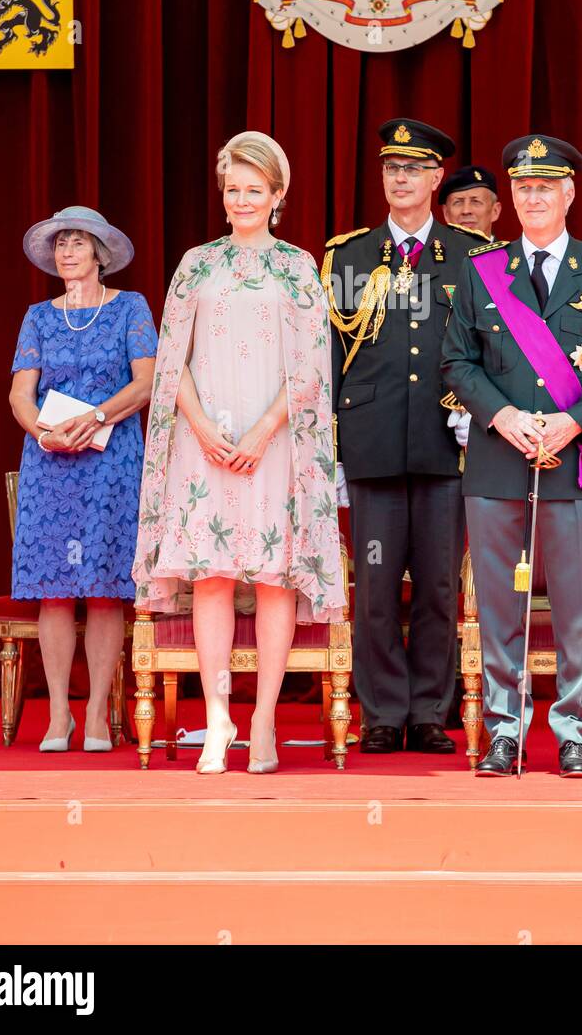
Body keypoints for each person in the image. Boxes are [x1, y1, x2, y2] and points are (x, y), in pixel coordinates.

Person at [132, 132, 345, 775]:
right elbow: (173, 358)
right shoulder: (196, 263)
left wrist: (260, 433)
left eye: (257, 189)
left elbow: (312, 363)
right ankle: (220, 718)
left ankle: (265, 720)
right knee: (213, 576)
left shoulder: (299, 265)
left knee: (276, 578)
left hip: (277, 443)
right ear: (222, 196)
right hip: (204, 447)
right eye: (234, 189)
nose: (244, 199)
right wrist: (200, 427)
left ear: (278, 195)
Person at [442, 135, 582, 777]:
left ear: (569, 194)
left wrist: (573, 422)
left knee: (578, 607)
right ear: (512, 197)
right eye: (523, 187)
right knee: (500, 604)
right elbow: (457, 361)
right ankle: (505, 727)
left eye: (545, 187)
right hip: (499, 460)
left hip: (575, 460)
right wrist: (501, 416)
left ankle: (575, 730)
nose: (533, 197)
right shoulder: (481, 271)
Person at [321, 119, 486, 754]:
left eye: (414, 169)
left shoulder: (471, 254)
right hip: (372, 440)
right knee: (378, 585)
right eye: (392, 168)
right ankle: (384, 711)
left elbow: (485, 346)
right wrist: (334, 446)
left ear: (436, 179)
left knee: (441, 586)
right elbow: (331, 354)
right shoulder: (350, 254)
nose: (401, 178)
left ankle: (429, 712)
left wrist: (476, 410)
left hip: (448, 443)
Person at [9, 206, 158, 751]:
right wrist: (43, 432)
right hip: (51, 463)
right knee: (53, 592)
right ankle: (57, 715)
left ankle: (96, 714)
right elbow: (21, 393)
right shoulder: (38, 316)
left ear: (100, 253)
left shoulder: (130, 309)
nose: (67, 251)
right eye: (60, 244)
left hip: (110, 461)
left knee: (102, 590)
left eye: (78, 242)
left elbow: (146, 383)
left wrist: (96, 417)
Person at [439, 164, 502, 241]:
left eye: (476, 202)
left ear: (495, 211)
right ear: (446, 213)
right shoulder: (428, 253)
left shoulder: (509, 253)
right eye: (458, 202)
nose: (466, 211)